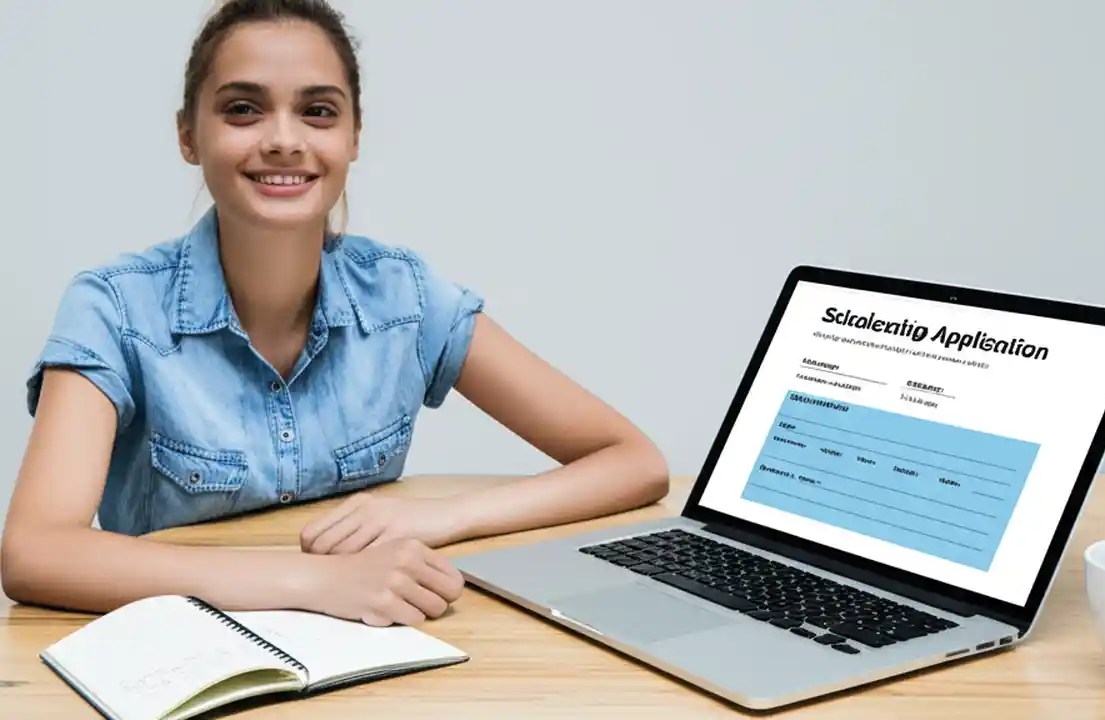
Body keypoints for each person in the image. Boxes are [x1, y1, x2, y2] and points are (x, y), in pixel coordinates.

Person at [0, 0, 668, 628]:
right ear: (187, 135)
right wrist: (311, 585)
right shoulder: (114, 308)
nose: (284, 140)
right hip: (184, 661)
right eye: (243, 110)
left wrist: (445, 519)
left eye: (318, 111)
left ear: (353, 138)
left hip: (369, 650)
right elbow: (35, 552)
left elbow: (632, 461)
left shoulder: (405, 296)